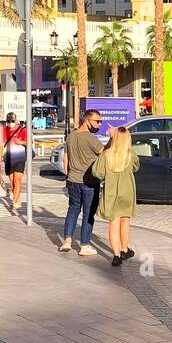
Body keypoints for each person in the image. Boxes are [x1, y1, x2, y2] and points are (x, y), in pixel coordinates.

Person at [58, 108, 104, 256]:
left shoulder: (71, 136)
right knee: (88, 213)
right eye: (97, 121)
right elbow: (105, 154)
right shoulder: (91, 139)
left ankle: (67, 241)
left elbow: (66, 158)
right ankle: (84, 245)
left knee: (73, 210)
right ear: (87, 120)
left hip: (73, 180)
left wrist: (68, 175)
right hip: (89, 181)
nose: (99, 124)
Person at [93, 125, 139, 267]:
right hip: (127, 191)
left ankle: (116, 255)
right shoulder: (131, 155)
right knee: (125, 221)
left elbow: (97, 172)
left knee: (114, 223)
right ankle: (125, 249)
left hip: (111, 192)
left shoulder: (106, 155)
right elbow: (136, 167)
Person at [2, 112, 29, 210]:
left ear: (16, 120)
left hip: (19, 158)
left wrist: (21, 142)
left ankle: (15, 201)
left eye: (12, 121)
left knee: (17, 180)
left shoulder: (22, 130)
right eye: (8, 121)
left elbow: (29, 142)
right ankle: (17, 198)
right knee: (12, 180)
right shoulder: (3, 130)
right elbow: (0, 142)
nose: (10, 123)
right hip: (8, 158)